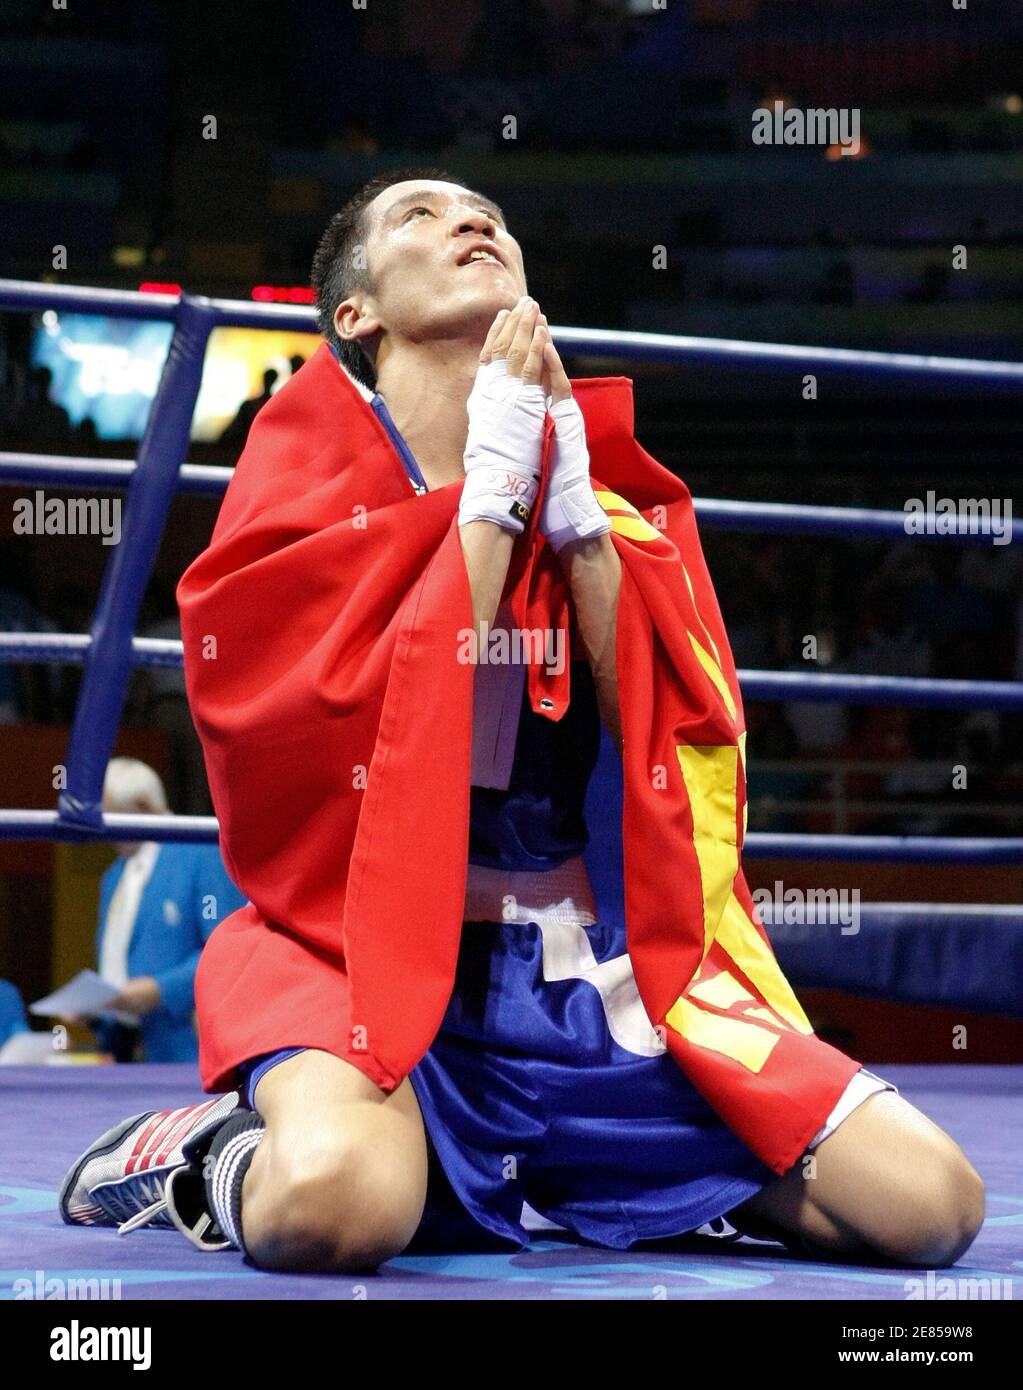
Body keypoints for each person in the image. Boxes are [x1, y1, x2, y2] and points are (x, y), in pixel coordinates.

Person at [61, 171, 984, 1269]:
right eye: (419, 214)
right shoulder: (299, 486)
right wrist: (491, 488)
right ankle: (198, 1152)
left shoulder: (605, 496)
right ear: (352, 314)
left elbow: (669, 728)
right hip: (350, 957)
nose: (472, 220)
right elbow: (326, 730)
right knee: (333, 1212)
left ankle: (663, 1179)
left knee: (932, 1204)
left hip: (577, 977)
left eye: (487, 211)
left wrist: (579, 522)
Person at [84, 758, 245, 1062]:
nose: (104, 830)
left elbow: (227, 949)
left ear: (143, 806)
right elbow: (115, 958)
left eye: (112, 817)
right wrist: (93, 1011)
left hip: (182, 1048)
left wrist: (161, 990)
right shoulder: (113, 876)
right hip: (123, 1050)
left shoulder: (200, 853)